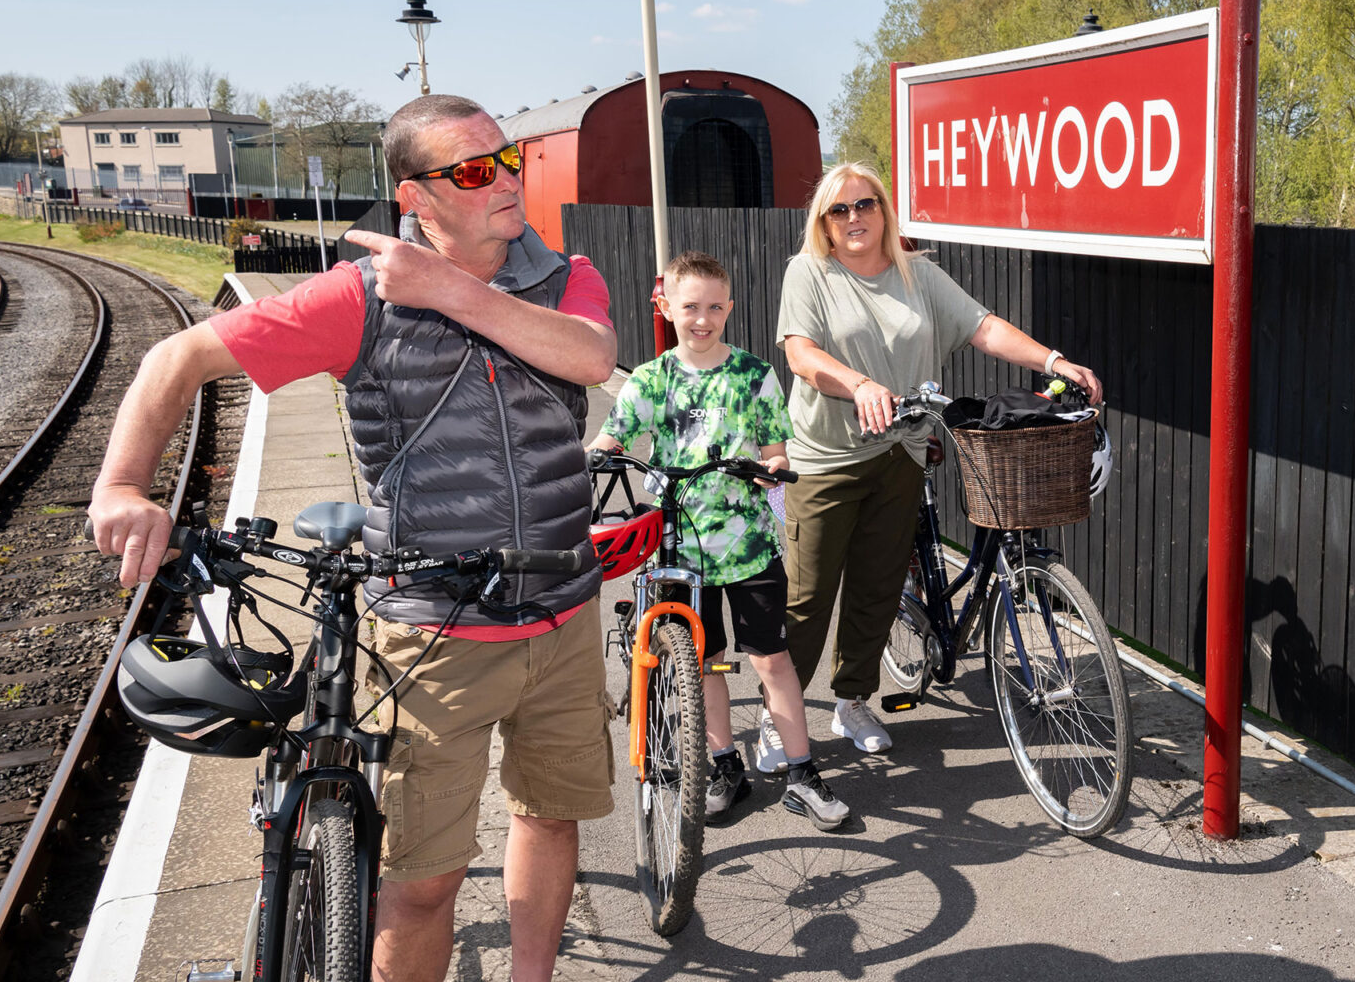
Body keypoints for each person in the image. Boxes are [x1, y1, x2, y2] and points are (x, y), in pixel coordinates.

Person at [87, 95, 617, 982]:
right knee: (421, 881)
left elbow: (592, 357)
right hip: (434, 634)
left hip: (563, 611)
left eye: (510, 157)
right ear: (416, 198)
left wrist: (450, 288)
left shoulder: (566, 277)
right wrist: (121, 486)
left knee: (549, 818)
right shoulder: (356, 301)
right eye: (475, 169)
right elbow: (173, 360)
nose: (508, 180)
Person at [774, 161, 1103, 758]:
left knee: (876, 588)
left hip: (901, 449)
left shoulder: (917, 273)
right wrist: (858, 384)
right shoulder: (809, 272)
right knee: (808, 595)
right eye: (839, 209)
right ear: (823, 221)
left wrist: (1052, 361)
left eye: (865, 204)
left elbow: (982, 327)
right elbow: (801, 353)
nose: (854, 218)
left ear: (884, 209)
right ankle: (783, 715)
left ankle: (850, 703)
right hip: (826, 457)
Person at [587, 250, 849, 830]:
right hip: (680, 550)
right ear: (666, 308)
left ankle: (802, 772)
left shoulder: (754, 375)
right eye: (689, 308)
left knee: (772, 659)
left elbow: (777, 449)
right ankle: (725, 764)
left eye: (713, 308)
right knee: (704, 664)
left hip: (750, 545)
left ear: (729, 308)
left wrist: (771, 467)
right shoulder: (652, 380)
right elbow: (614, 433)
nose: (701, 319)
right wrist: (595, 459)